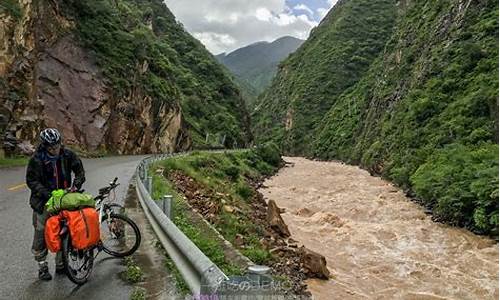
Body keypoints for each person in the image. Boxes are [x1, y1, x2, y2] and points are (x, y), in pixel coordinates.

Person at [25, 128, 85, 280]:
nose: (55, 150)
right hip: (43, 201)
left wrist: (76, 185)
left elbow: (79, 171)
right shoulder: (36, 159)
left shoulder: (67, 154)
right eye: (51, 147)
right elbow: (31, 181)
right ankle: (42, 266)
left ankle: (61, 264)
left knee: (64, 229)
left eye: (57, 146)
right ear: (44, 146)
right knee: (41, 232)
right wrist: (47, 194)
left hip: (64, 199)